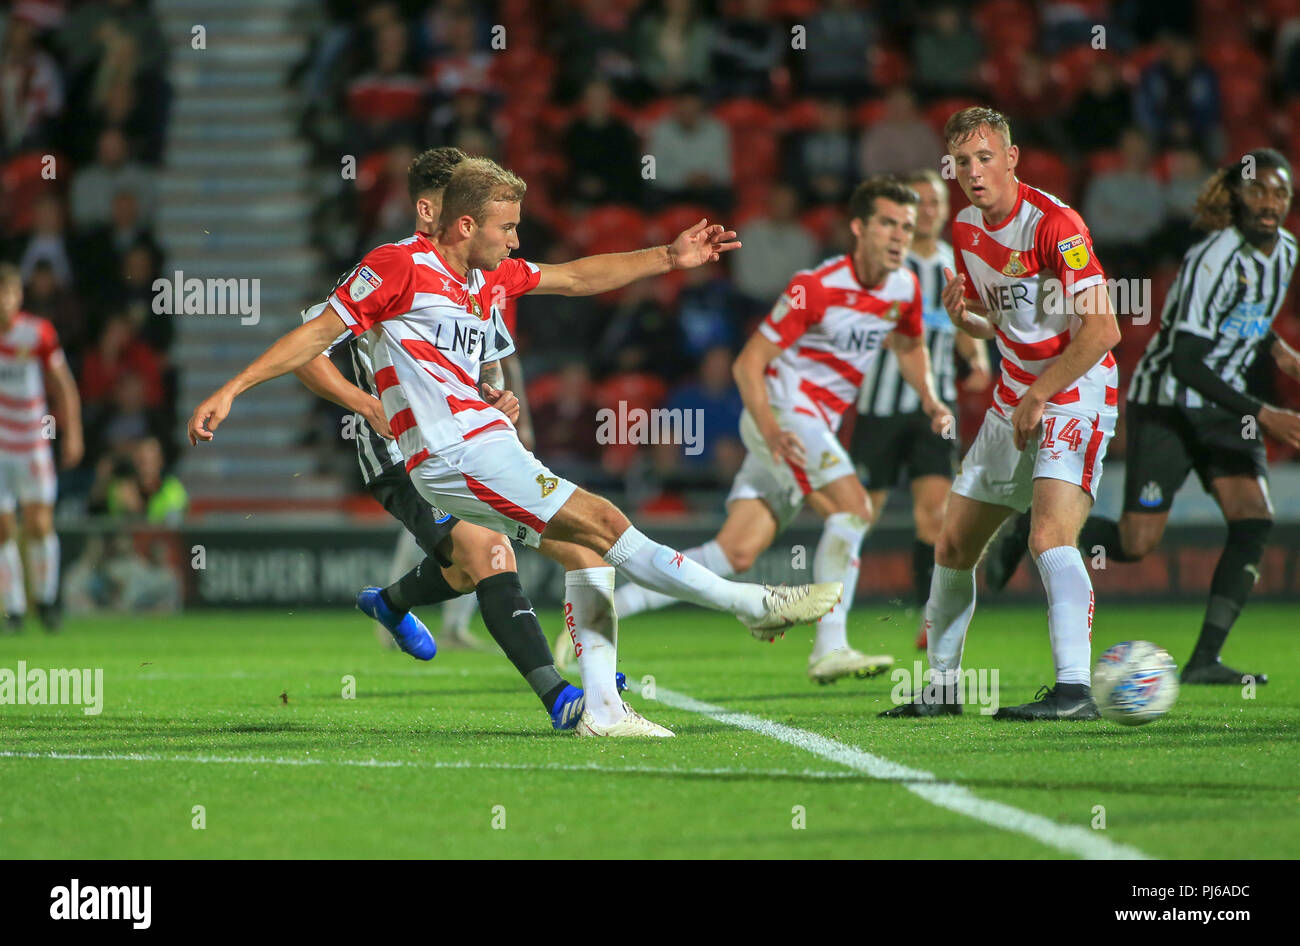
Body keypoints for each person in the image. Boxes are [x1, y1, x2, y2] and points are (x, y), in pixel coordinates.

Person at [188, 156, 841, 738]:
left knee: (588, 551)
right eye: (508, 227)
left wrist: (667, 258)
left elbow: (577, 276)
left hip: (484, 447)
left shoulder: (487, 281)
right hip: (453, 454)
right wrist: (234, 387)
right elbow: (315, 335)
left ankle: (604, 712)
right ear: (466, 225)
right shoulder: (396, 266)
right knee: (607, 522)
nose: (517, 238)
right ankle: (751, 604)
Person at [610, 177, 950, 684]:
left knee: (735, 552)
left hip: (804, 427)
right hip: (783, 413)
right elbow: (749, 364)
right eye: (886, 223)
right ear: (858, 228)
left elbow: (908, 346)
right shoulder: (816, 286)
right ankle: (829, 648)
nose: (900, 235)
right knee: (854, 509)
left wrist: (929, 396)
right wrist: (770, 431)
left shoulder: (905, 287)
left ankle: (611, 606)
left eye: (906, 225)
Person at [293, 147, 586, 730]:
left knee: (474, 560)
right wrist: (362, 402)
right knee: (489, 553)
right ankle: (561, 696)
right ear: (432, 207)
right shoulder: (389, 269)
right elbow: (306, 345)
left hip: (461, 440)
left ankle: (392, 603)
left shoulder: (472, 278)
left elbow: (489, 360)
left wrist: (496, 397)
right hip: (397, 448)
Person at [987, 149, 1299, 686]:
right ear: (1237, 195)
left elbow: (1244, 314)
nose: (1269, 203)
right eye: (1258, 191)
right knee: (1135, 543)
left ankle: (1204, 659)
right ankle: (1030, 531)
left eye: (1280, 193)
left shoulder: (1287, 252)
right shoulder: (1213, 257)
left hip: (1224, 403)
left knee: (1254, 517)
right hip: (1170, 403)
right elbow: (1184, 356)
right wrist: (1265, 413)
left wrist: (1275, 349)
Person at [881, 107, 1122, 721]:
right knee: (954, 542)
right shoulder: (963, 228)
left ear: (1011, 158)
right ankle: (940, 688)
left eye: (985, 158)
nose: (973, 172)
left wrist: (1042, 392)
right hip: (1017, 390)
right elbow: (1005, 324)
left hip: (1074, 387)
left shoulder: (1056, 224)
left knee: (1049, 536)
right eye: (962, 162)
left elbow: (1101, 328)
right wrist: (969, 324)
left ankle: (1074, 690)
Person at [850, 170, 990, 651]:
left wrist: (977, 359)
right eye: (921, 203)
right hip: (881, 406)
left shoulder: (956, 266)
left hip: (937, 412)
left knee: (934, 518)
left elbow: (967, 326)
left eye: (936, 202)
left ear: (946, 209)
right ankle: (831, 624)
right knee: (857, 515)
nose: (929, 210)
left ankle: (929, 620)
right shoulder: (888, 262)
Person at [0, 263, 84, 632]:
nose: (4, 301)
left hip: (33, 441)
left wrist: (73, 432)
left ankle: (47, 601)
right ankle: (15, 608)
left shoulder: (38, 333)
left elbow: (62, 383)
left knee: (38, 524)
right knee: (2, 528)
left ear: (18, 296)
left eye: (9, 293)